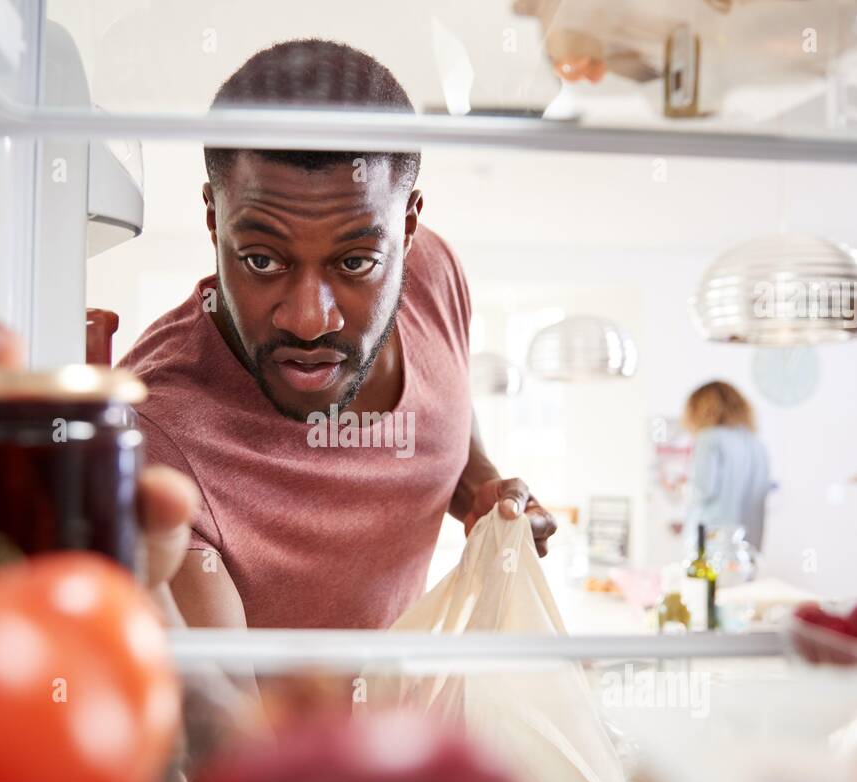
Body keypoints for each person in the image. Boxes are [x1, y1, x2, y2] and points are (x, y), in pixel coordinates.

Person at [115, 39, 558, 631]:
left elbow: (446, 410)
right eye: (262, 261)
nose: (308, 321)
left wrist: (479, 487)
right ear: (214, 220)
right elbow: (223, 718)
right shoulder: (157, 438)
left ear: (407, 228)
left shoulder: (434, 276)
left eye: (353, 264)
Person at [681, 380, 771, 551]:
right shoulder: (757, 445)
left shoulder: (709, 439)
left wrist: (684, 487)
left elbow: (702, 490)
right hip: (749, 547)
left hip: (712, 544)